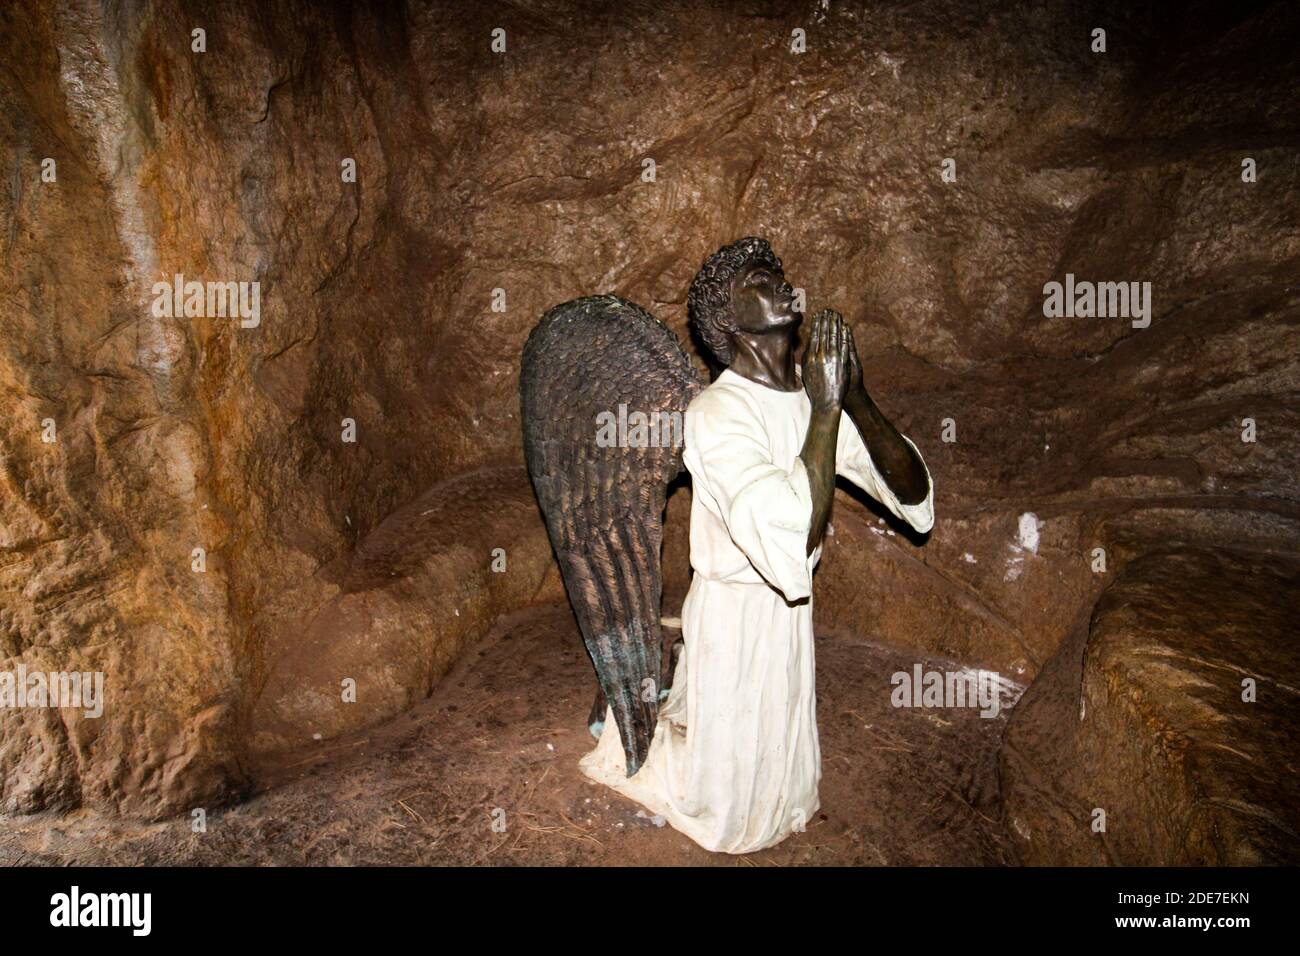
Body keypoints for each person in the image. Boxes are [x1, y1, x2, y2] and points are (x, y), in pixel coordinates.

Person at [580, 237, 935, 853]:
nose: (782, 285)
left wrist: (854, 397)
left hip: (787, 618)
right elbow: (793, 530)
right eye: (759, 280)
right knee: (728, 816)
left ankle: (668, 695)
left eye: (779, 275)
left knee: (784, 791)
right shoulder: (717, 413)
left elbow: (911, 493)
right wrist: (826, 411)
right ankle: (626, 717)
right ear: (728, 319)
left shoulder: (809, 397)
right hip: (735, 619)